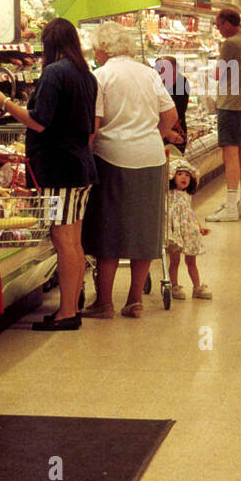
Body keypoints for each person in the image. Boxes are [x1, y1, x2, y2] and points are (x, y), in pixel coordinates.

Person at [0, 18, 97, 332]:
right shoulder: (86, 75)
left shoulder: (54, 73)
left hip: (59, 172)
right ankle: (70, 308)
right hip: (78, 166)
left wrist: (4, 102)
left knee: (63, 241)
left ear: (50, 44)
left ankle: (67, 312)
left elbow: (38, 122)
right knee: (72, 241)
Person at [81, 22, 181, 319]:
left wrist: (87, 150)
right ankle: (135, 300)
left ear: (103, 49)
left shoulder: (100, 76)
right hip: (151, 157)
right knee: (144, 230)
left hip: (112, 158)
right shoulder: (149, 74)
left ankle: (104, 302)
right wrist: (156, 136)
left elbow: (94, 123)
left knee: (108, 230)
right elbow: (171, 114)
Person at [207, 8, 241, 222]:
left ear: (228, 23)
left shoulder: (230, 44)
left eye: (219, 25)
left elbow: (219, 74)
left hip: (231, 104)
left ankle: (230, 207)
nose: (218, 30)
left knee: (230, 155)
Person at [166, 158, 211, 300]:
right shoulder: (169, 193)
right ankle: (174, 286)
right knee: (175, 261)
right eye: (180, 174)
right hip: (176, 231)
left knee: (192, 261)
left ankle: (197, 287)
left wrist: (199, 227)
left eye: (187, 175)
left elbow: (189, 212)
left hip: (189, 231)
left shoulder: (188, 195)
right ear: (173, 176)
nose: (184, 177)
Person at [155, 56, 190, 154]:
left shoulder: (181, 82)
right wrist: (167, 132)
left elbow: (179, 110)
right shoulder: (152, 82)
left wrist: (169, 131)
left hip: (177, 132)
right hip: (157, 131)